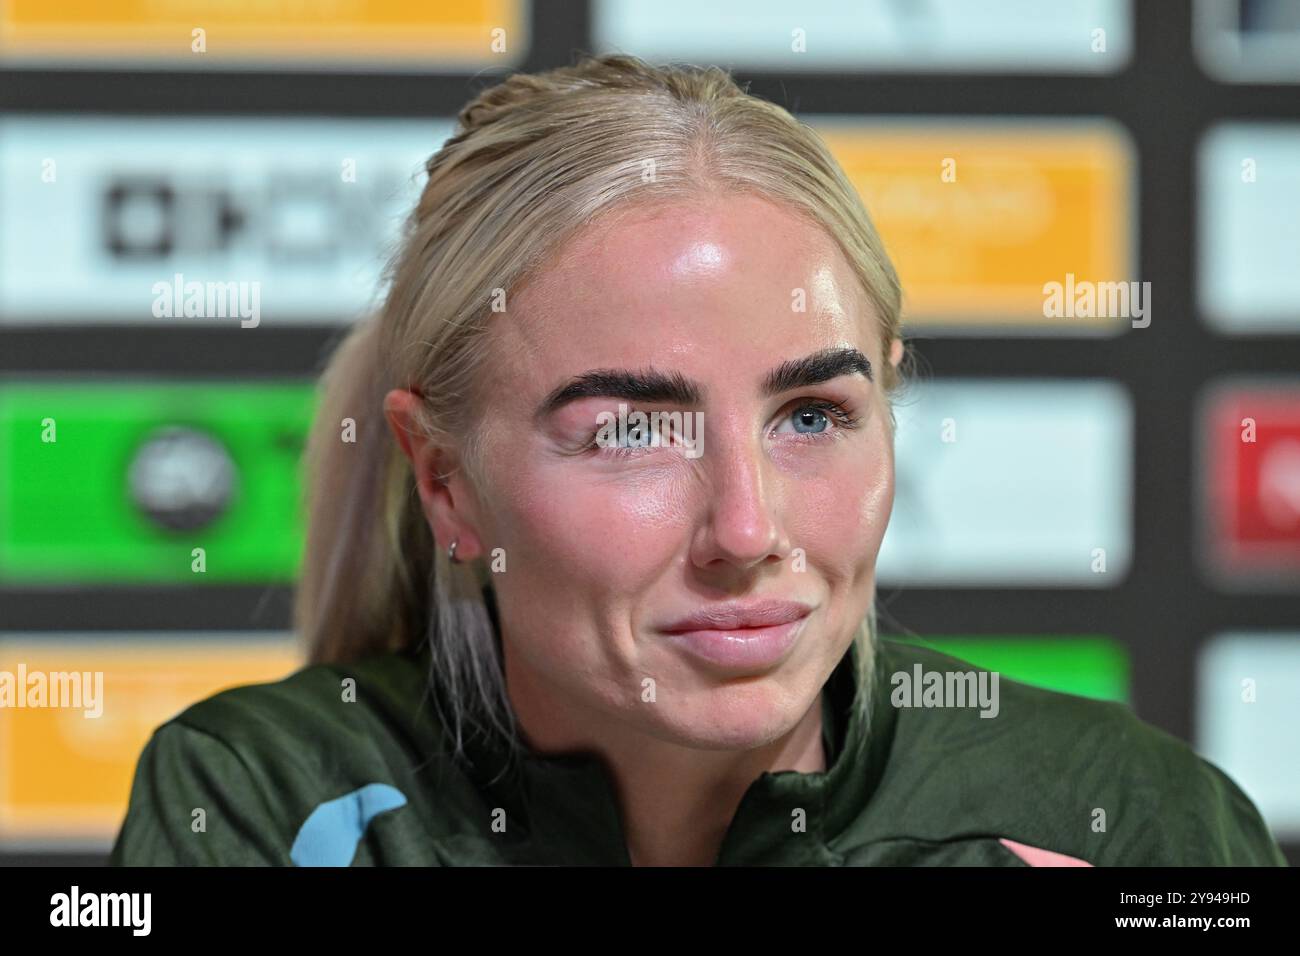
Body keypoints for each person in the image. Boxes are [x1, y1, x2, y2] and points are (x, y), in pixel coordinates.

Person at [110, 53, 1286, 867]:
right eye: (630, 430)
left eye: (814, 413)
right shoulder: (257, 799)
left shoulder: (1134, 820)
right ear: (443, 477)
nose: (746, 527)